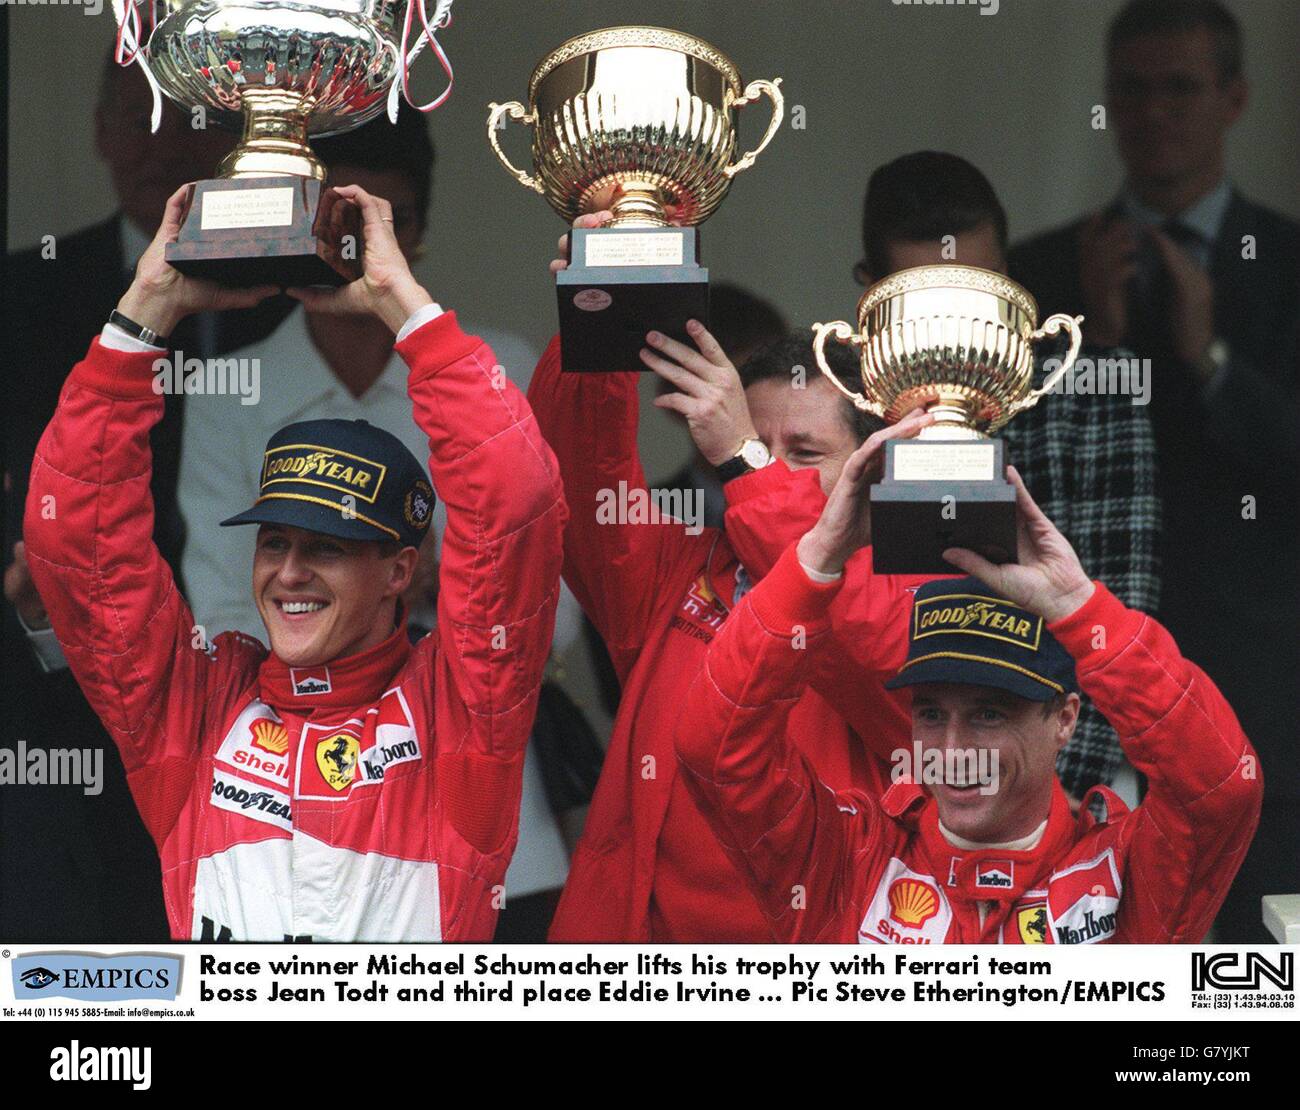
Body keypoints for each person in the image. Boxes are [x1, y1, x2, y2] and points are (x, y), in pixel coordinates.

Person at [21, 183, 566, 941]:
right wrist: (145, 313)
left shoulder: (460, 714)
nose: (289, 573)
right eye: (274, 541)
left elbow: (513, 504)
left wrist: (405, 307)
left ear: (400, 573)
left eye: (329, 548)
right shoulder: (195, 708)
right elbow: (76, 547)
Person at [173, 109, 578, 937]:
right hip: (266, 820)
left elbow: (555, 616)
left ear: (412, 231)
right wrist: (354, 588)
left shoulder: (492, 365)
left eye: (364, 223)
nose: (341, 247)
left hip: (478, 805)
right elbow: (217, 614)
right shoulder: (226, 384)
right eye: (323, 219)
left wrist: (431, 584)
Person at [529, 215, 933, 941]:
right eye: (755, 439)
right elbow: (579, 486)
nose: (771, 466)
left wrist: (747, 463)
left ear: (874, 471)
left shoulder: (911, 597)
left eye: (802, 451)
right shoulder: (679, 571)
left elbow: (857, 645)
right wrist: (599, 330)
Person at [675, 446, 1262, 943]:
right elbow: (714, 751)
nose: (952, 749)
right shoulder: (845, 858)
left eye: (988, 713)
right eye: (931, 712)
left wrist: (1080, 611)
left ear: (1065, 719)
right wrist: (814, 561)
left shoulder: (1123, 871)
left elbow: (1219, 785)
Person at [1008, 0, 1297, 938]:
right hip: (1070, 695)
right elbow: (1000, 465)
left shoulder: (1292, 264)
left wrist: (1212, 362)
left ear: (1236, 97)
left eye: (1181, 87)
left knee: (1251, 964)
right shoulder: (1037, 273)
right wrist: (1089, 341)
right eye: (1131, 91)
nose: (1154, 112)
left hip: (1256, 695)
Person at [2, 51, 293, 941]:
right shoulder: (23, 290)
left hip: (271, 680)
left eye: (195, 121)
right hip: (65, 670)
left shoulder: (299, 283)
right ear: (98, 133)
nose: (165, 147)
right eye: (139, 120)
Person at [858, 151, 1161, 802]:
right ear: (868, 291)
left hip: (1062, 794)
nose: (958, 317)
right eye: (927, 297)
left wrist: (1058, 812)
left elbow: (1119, 617)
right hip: (877, 795)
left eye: (980, 286)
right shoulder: (843, 407)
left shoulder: (1089, 389)